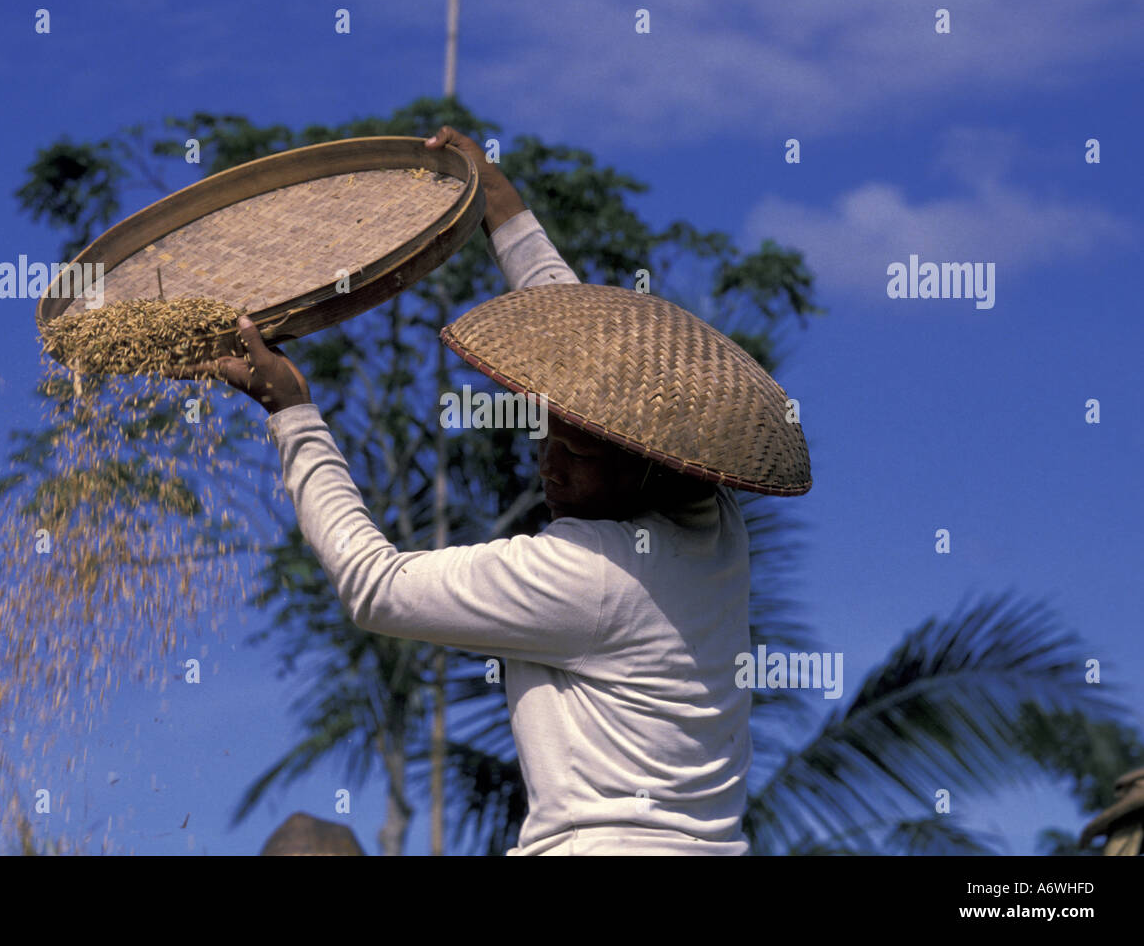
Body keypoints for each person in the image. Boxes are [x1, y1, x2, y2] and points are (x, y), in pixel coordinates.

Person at [175, 127, 809, 855]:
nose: (551, 464)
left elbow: (374, 586)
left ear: (645, 463)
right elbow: (576, 340)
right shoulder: (711, 521)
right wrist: (503, 208)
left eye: (578, 453)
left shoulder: (590, 574)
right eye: (549, 435)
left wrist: (289, 410)